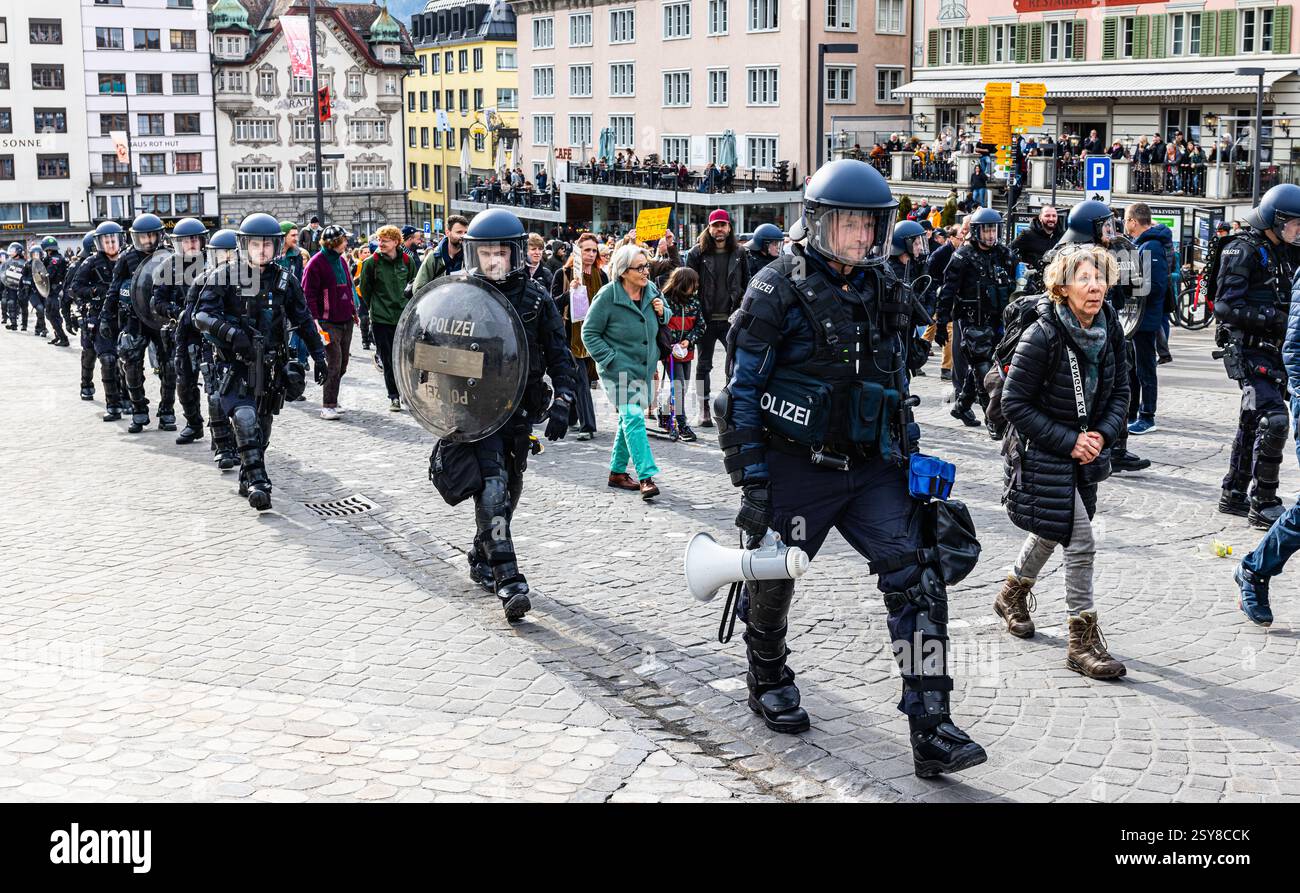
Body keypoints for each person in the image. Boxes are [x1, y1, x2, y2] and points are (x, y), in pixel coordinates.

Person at [718, 159, 986, 775]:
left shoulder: (887, 284)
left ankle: (932, 725)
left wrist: (911, 455)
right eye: (849, 225)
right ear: (818, 223)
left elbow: (895, 383)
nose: (862, 237)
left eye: (870, 225)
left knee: (918, 578)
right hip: (796, 468)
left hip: (872, 469)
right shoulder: (773, 287)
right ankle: (767, 670)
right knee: (774, 577)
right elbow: (741, 397)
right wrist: (753, 483)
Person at [997, 243, 1130, 679]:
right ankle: (1082, 640)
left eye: (1100, 278)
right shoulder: (1043, 334)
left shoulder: (1109, 326)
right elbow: (1014, 402)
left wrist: (1101, 436)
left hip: (1084, 451)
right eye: (1084, 279)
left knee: (1052, 528)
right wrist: (1069, 440)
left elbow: (1121, 393)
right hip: (1039, 452)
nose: (1095, 288)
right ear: (1062, 286)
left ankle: (1011, 593)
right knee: (1081, 539)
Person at [442, 209, 577, 620]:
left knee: (509, 493)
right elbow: (434, 354)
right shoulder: (459, 297)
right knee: (494, 490)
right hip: (475, 412)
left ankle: (482, 554)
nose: (494, 261)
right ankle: (509, 579)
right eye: (486, 254)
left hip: (519, 413)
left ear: (515, 254)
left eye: (501, 253)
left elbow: (560, 355)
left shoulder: (537, 298)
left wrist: (564, 402)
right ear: (475, 256)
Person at [194, 213, 328, 511]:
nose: (263, 250)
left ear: (277, 247)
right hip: (234, 364)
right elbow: (201, 316)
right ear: (244, 245)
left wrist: (319, 356)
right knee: (244, 418)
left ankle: (248, 472)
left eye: (268, 245)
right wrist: (231, 334)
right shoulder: (224, 275)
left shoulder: (284, 279)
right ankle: (259, 482)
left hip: (271, 366)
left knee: (262, 428)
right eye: (256, 244)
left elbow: (304, 319)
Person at [1213, 184, 1300, 529]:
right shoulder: (1241, 249)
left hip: (1275, 350)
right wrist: (1277, 318)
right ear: (1276, 220)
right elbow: (1225, 306)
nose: (1299, 231)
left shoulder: (1287, 249)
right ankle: (1263, 501)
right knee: (1275, 420)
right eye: (1295, 224)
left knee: (1252, 421)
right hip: (1248, 349)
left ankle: (1233, 493)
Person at [1050, 200, 1153, 475]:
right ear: (1090, 228)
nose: (1110, 232)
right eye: (1105, 226)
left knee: (1119, 386)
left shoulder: (1110, 252)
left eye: (1111, 225)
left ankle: (1116, 448)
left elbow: (1129, 288)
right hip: (1075, 336)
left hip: (1109, 327)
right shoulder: (1065, 256)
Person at [582, 244, 667, 499]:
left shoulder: (650, 289)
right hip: (617, 370)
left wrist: (663, 311)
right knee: (633, 417)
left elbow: (664, 315)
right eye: (639, 268)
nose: (646, 272)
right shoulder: (608, 296)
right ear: (623, 271)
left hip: (644, 367)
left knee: (628, 420)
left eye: (646, 266)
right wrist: (611, 359)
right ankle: (646, 476)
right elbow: (589, 333)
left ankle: (617, 473)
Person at [937, 206, 1015, 432]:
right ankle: (992, 418)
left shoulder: (1003, 253)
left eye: (994, 230)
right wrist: (942, 323)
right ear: (976, 231)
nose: (991, 236)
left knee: (986, 366)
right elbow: (948, 291)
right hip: (972, 321)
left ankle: (961, 405)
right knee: (983, 367)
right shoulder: (962, 256)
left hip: (997, 320)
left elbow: (1013, 279)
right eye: (987, 231)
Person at [100, 213, 175, 434]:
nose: (147, 241)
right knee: (131, 363)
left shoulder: (170, 256)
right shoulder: (126, 258)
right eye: (143, 237)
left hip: (161, 320)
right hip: (134, 319)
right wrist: (106, 316)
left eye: (151, 236)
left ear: (159, 235)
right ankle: (139, 409)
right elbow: (114, 289)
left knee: (169, 366)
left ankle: (167, 410)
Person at [686, 209, 749, 427]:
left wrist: (741, 310)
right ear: (709, 228)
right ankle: (704, 409)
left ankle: (731, 406)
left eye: (723, 225)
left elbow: (747, 286)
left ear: (729, 227)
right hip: (705, 319)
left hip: (730, 320)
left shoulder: (740, 253)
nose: (719, 229)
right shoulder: (697, 254)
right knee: (703, 366)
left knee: (735, 365)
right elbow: (689, 287)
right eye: (715, 225)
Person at [149, 217, 209, 444]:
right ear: (178, 243)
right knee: (184, 383)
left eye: (195, 239)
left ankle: (223, 435)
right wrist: (178, 312)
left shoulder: (212, 263)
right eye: (186, 240)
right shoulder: (168, 267)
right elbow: (158, 301)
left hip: (212, 332)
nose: (191, 243)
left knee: (216, 384)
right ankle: (194, 424)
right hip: (183, 333)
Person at [552, 233, 607, 442]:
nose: (591, 254)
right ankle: (588, 425)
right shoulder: (563, 274)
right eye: (587, 250)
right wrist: (570, 293)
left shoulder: (601, 276)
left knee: (583, 378)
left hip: (595, 335)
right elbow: (552, 304)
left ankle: (572, 416)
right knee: (582, 380)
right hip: (571, 337)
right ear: (578, 251)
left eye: (594, 250)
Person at [1123, 203, 1172, 435]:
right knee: (1134, 368)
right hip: (1137, 318)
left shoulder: (1151, 246)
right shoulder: (1142, 245)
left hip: (1145, 318)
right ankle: (1133, 412)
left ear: (1133, 221)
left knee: (1145, 368)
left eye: (1125, 219)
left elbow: (1156, 286)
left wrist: (1128, 285)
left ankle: (1147, 416)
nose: (1124, 224)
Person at [68, 224, 127, 415]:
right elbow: (75, 288)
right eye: (106, 241)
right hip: (99, 316)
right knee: (107, 359)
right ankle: (113, 403)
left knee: (128, 360)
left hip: (125, 316)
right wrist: (95, 291)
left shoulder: (129, 259)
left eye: (113, 240)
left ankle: (128, 398)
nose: (110, 244)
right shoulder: (91, 263)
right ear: (99, 243)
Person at [359, 225, 419, 412]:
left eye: (385, 240)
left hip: (403, 317)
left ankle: (408, 394)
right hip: (381, 318)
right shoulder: (371, 262)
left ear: (396, 242)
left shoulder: (408, 261)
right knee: (388, 359)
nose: (381, 243)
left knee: (406, 358)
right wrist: (374, 308)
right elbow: (365, 290)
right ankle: (393, 396)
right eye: (379, 240)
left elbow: (413, 285)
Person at [302, 224, 358, 421]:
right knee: (333, 362)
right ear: (335, 242)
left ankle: (332, 397)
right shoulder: (316, 263)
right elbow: (307, 294)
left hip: (345, 319)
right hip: (327, 321)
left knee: (342, 364)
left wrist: (353, 311)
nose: (347, 242)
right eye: (344, 239)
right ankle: (328, 405)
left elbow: (347, 288)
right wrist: (315, 320)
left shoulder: (342, 260)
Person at [659, 266, 704, 442]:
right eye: (693, 283)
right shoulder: (666, 301)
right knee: (678, 386)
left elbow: (701, 326)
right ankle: (681, 424)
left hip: (687, 351)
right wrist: (668, 344)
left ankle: (663, 412)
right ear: (683, 283)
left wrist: (689, 340)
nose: (696, 286)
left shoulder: (695, 302)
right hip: (670, 352)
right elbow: (661, 325)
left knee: (682, 386)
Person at [34, 236, 71, 346]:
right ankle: (58, 336)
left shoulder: (54, 260)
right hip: (54, 290)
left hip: (54, 291)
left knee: (51, 315)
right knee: (54, 315)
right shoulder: (54, 258)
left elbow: (47, 275)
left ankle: (63, 339)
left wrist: (38, 277)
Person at [1011, 206, 1062, 276]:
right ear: (1040, 218)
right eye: (1047, 216)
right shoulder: (1027, 234)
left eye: (1054, 216)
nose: (1051, 219)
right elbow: (1009, 252)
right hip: (1032, 283)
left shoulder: (1062, 236)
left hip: (1054, 282)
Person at [2, 242, 28, 331]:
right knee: (11, 304)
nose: (11, 252)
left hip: (22, 288)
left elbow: (28, 275)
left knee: (23, 305)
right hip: (11, 287)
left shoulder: (25, 262)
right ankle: (14, 324)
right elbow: (3, 273)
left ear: (19, 251)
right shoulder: (7, 262)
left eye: (13, 250)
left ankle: (24, 325)